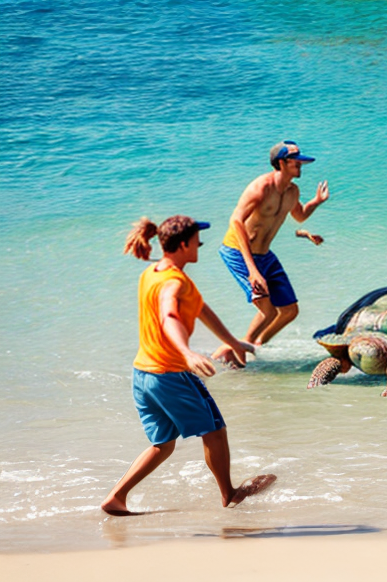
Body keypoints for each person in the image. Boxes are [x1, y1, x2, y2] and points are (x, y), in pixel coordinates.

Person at [103, 215, 276, 515]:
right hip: (170, 375)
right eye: (196, 239)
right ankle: (230, 495)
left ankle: (116, 497)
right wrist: (186, 352)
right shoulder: (173, 282)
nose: (200, 243)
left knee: (164, 444)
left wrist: (234, 342)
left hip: (143, 375)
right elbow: (168, 315)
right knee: (215, 431)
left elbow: (202, 311)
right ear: (183, 244)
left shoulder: (152, 273)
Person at [213, 141, 329, 361]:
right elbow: (236, 221)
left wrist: (316, 201)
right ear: (281, 163)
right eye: (296, 160)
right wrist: (252, 271)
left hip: (264, 255)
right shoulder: (260, 188)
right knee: (268, 311)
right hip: (238, 253)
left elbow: (300, 215)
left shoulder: (292, 191)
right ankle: (233, 353)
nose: (301, 164)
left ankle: (253, 345)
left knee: (289, 311)